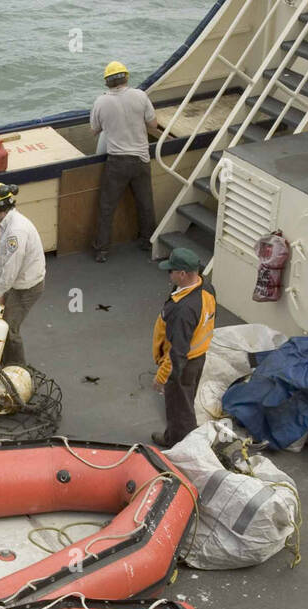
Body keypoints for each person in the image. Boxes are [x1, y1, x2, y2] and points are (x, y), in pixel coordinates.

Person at [90, 60, 163, 263]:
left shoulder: (101, 102)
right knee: (145, 203)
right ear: (126, 78)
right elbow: (153, 124)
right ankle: (147, 241)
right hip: (141, 159)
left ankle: (102, 250)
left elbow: (94, 130)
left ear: (107, 83)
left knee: (107, 206)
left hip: (117, 162)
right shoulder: (140, 96)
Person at [150, 246, 216, 448]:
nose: (168, 274)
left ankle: (181, 446)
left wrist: (163, 377)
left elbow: (178, 351)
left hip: (184, 364)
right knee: (185, 402)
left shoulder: (183, 310)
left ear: (182, 273)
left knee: (180, 407)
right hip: (198, 357)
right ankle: (175, 436)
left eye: (171, 271)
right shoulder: (206, 289)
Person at [0, 182, 44, 366]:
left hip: (27, 287)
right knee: (2, 321)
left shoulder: (16, 230)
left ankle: (17, 372)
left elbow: (11, 267)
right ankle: (4, 362)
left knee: (8, 327)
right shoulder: (9, 224)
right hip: (17, 283)